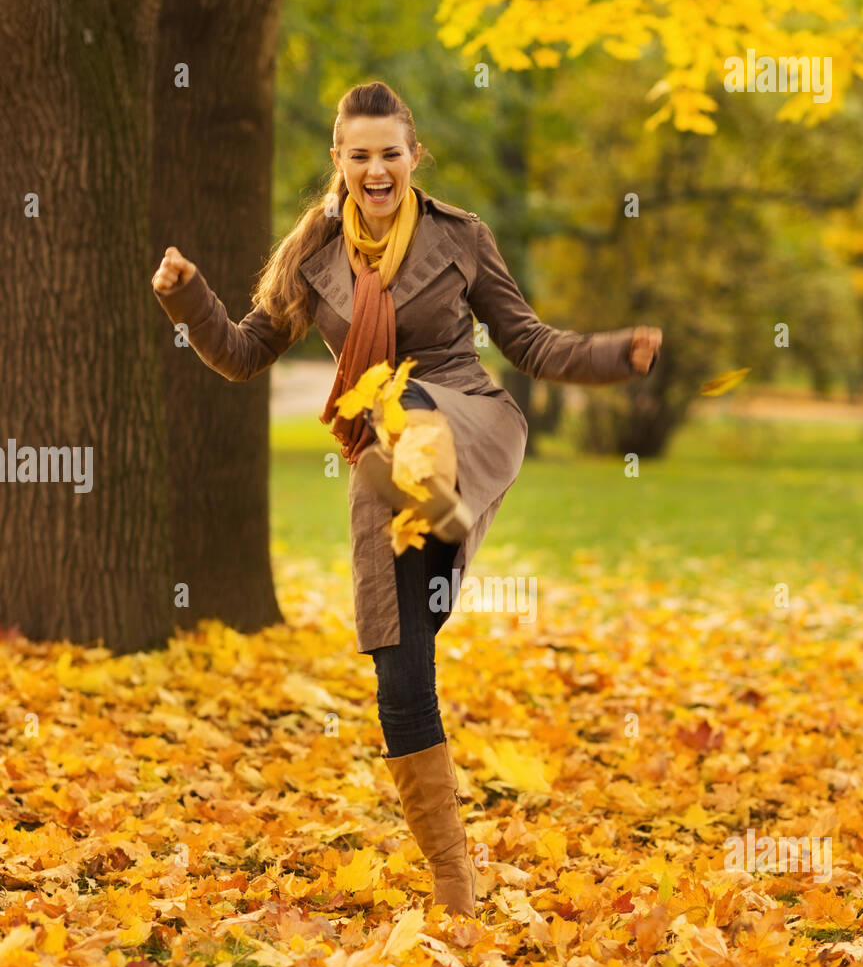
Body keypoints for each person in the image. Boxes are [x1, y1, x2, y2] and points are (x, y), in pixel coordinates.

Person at [152, 80, 662, 922]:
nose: (377, 169)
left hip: (464, 419)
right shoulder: (313, 257)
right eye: (361, 156)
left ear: (414, 158)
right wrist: (186, 294)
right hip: (380, 474)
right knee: (400, 671)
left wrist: (615, 353)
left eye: (391, 153)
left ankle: (432, 489)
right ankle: (454, 881)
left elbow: (526, 342)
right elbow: (243, 353)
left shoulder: (461, 238)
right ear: (339, 162)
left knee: (401, 405)